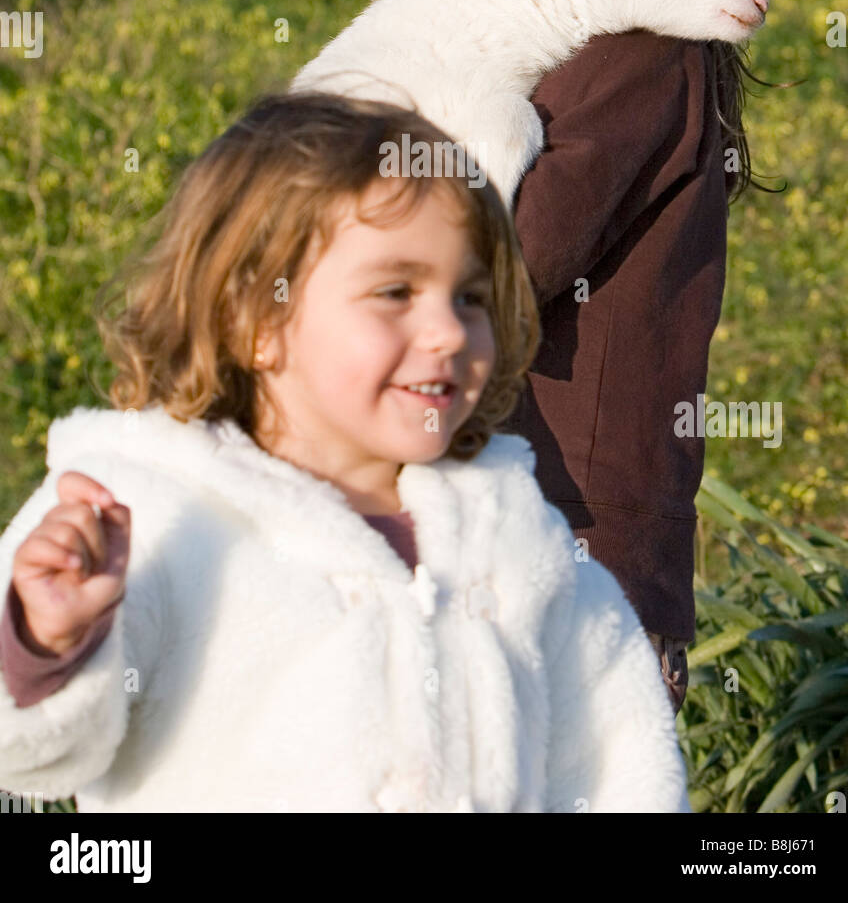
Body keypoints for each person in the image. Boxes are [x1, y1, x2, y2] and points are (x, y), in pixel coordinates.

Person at [0, 93, 690, 813]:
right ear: (256, 320)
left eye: (471, 299)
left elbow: (618, 763)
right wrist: (45, 638)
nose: (449, 333)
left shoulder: (514, 533)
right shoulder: (141, 512)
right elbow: (28, 752)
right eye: (395, 291)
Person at [361, 0, 768, 713]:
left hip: (575, 523)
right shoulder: (480, 40)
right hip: (465, 503)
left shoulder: (634, 44)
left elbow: (506, 265)